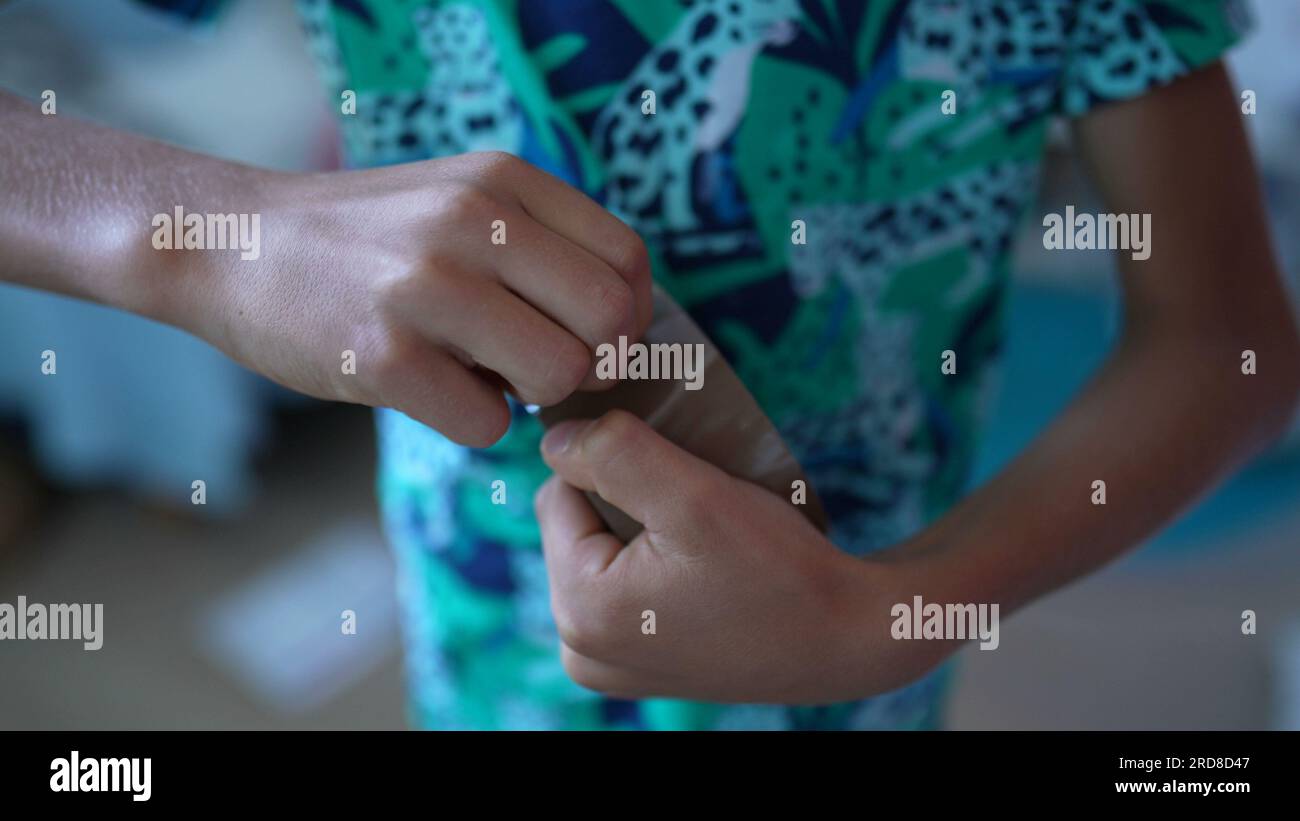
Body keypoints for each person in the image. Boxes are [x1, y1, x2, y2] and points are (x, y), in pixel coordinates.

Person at [1, 0, 1296, 729]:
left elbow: (1224, 343)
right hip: (486, 635)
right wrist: (208, 242)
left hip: (863, 644)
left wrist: (892, 621)